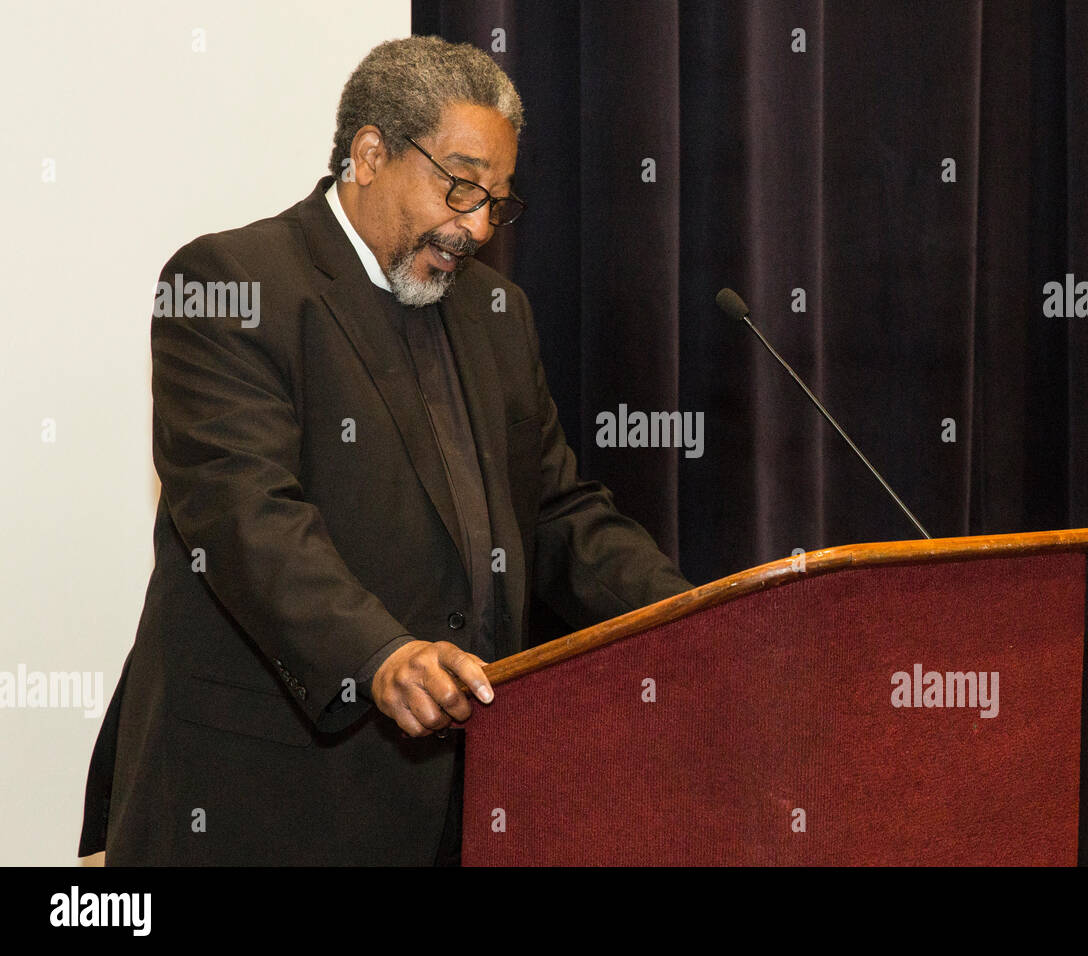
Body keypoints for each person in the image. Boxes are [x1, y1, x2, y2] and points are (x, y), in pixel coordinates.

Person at [78, 35, 692, 866]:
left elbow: (554, 512)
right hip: (258, 796)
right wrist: (381, 654)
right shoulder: (231, 283)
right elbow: (246, 516)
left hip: (457, 803)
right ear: (369, 154)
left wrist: (692, 619)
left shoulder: (497, 311)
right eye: (460, 186)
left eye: (496, 202)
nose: (475, 224)